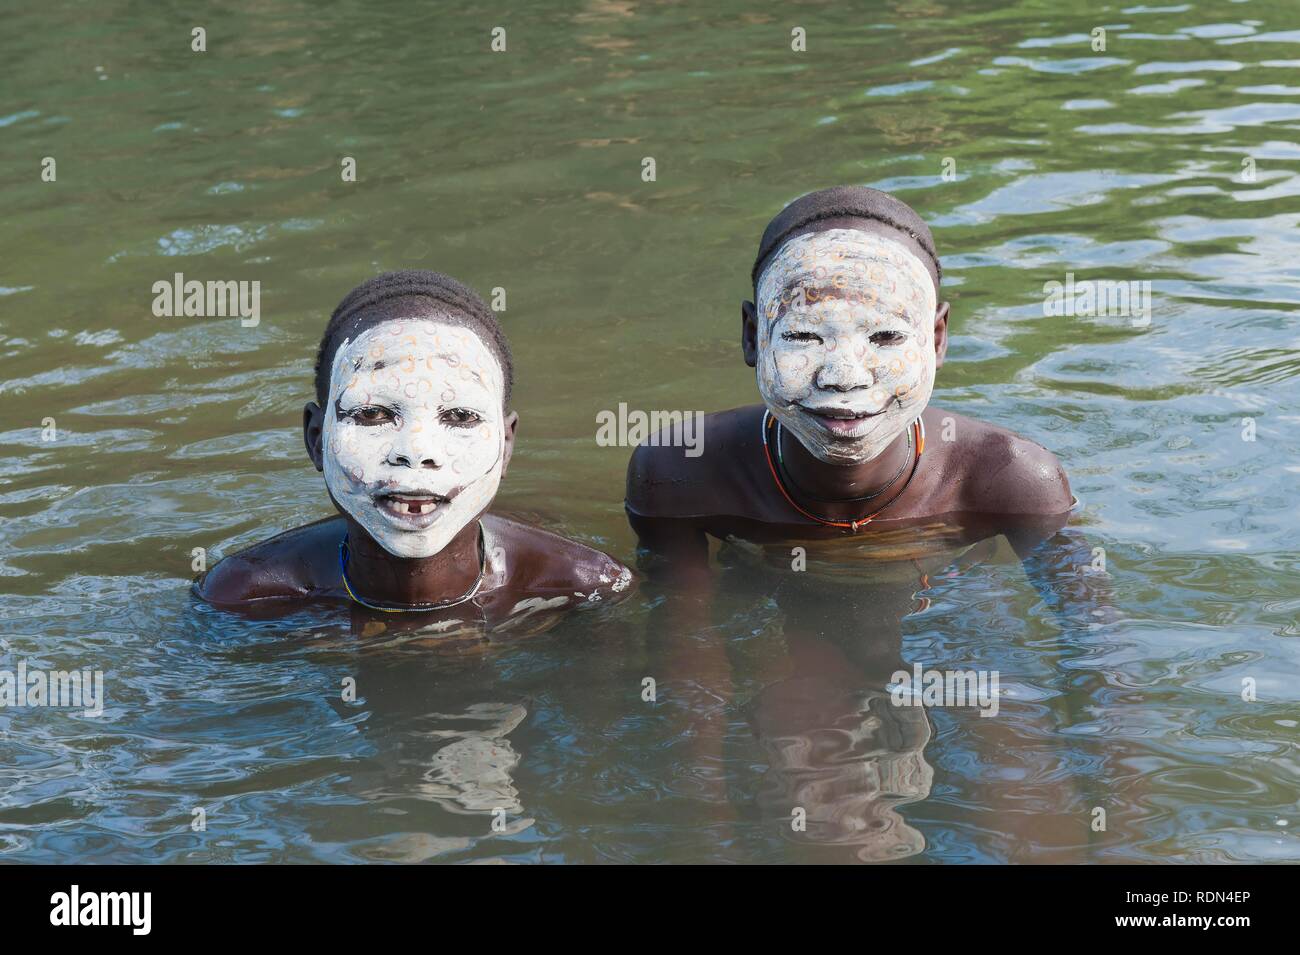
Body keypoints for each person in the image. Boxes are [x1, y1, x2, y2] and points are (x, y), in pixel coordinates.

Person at [197, 270, 632, 630]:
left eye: (460, 417)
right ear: (315, 438)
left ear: (505, 444)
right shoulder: (244, 596)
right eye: (373, 414)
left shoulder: (586, 587)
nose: (416, 452)